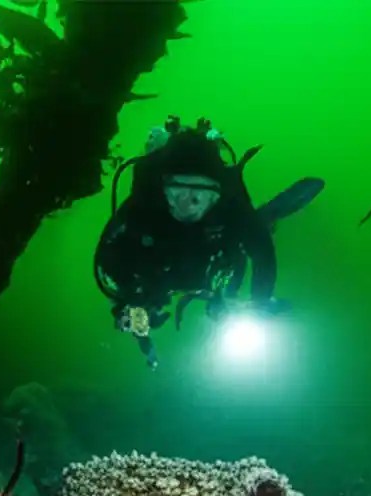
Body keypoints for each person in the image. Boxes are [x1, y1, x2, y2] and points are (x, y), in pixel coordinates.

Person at [94, 116, 302, 369]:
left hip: (212, 268)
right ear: (162, 189)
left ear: (217, 194)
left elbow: (262, 251)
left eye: (200, 195)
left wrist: (259, 300)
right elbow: (109, 255)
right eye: (178, 192)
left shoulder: (230, 206)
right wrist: (132, 302)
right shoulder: (143, 208)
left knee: (246, 239)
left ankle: (227, 288)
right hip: (158, 276)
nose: (188, 206)